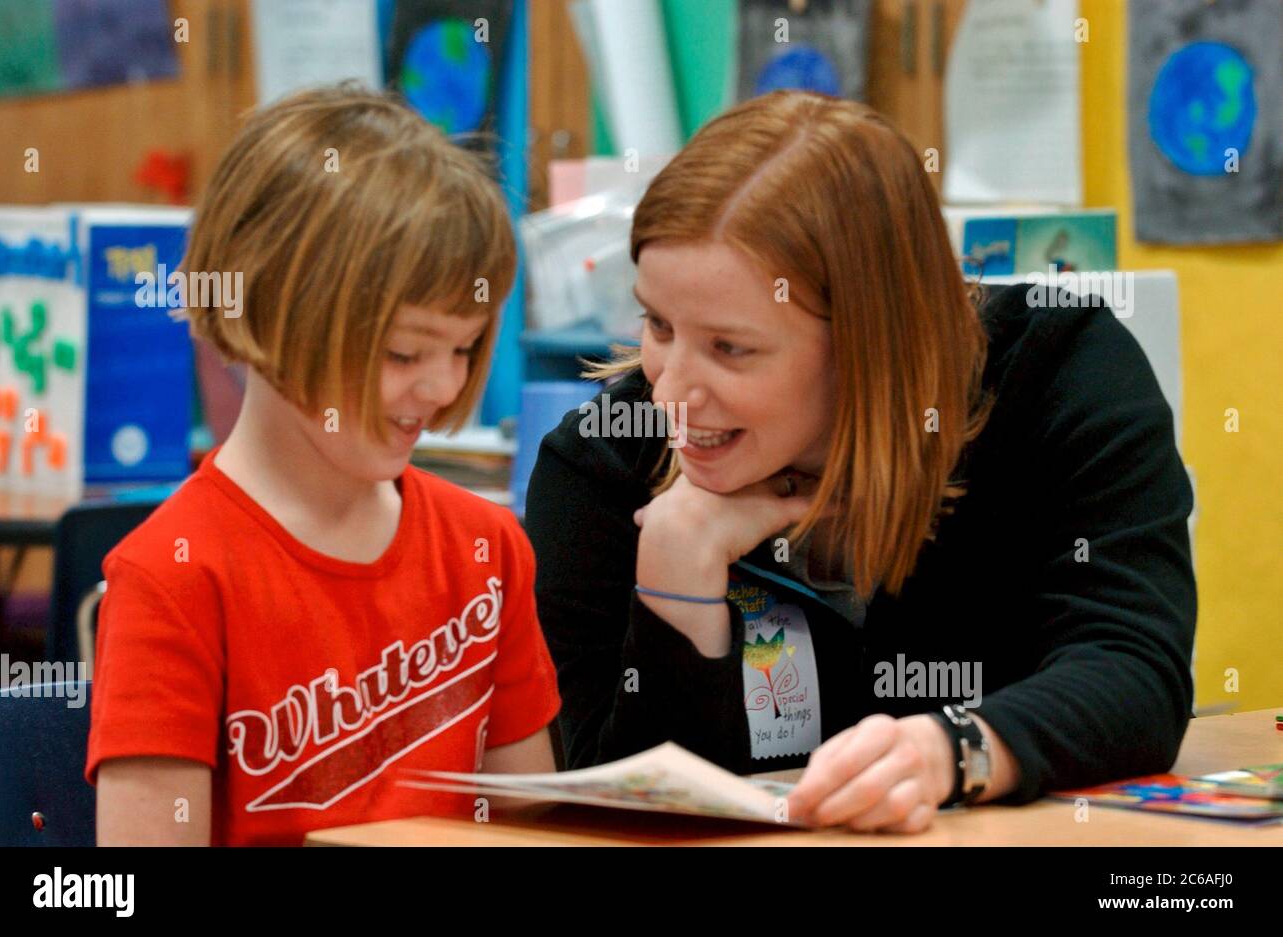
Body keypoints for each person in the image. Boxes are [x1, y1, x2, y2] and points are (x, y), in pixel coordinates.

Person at [525, 91, 1195, 834]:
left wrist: (951, 751)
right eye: (658, 323)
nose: (672, 389)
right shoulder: (603, 464)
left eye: (731, 348)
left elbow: (1134, 670)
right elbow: (613, 810)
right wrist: (677, 595)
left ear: (870, 343)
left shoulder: (1061, 375)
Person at [87, 85, 560, 846]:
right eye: (404, 352)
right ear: (266, 310)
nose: (441, 389)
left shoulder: (487, 544)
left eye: (465, 349)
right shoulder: (172, 576)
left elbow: (533, 829)